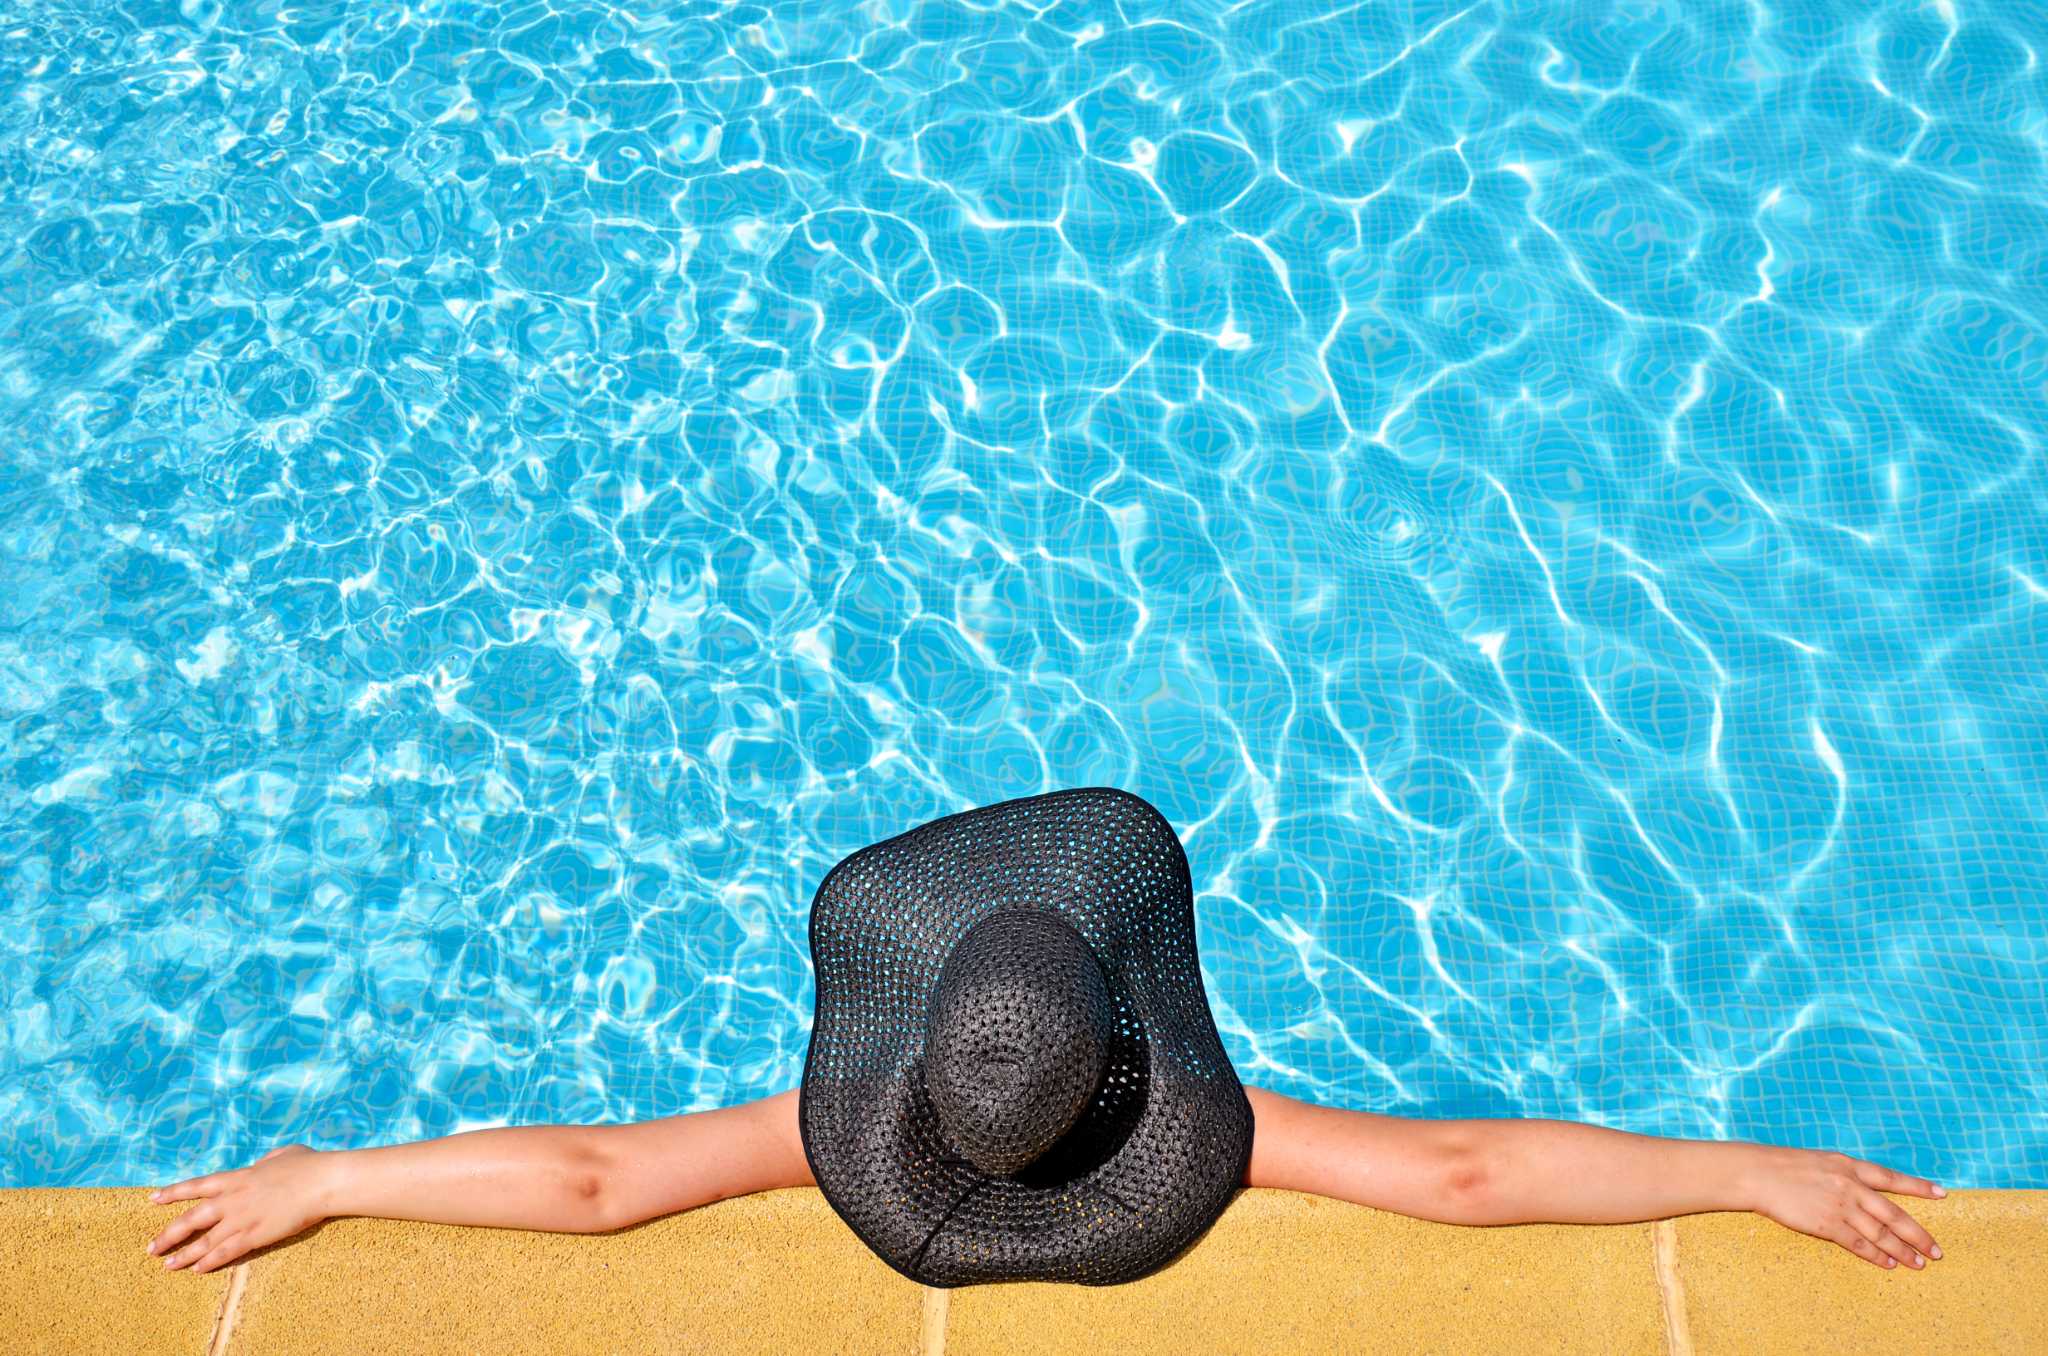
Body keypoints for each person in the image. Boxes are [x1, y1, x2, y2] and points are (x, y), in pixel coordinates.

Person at [145, 789, 1946, 1279]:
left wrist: (332, 1178)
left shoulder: (837, 1132)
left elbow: (600, 1182)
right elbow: (1466, 1174)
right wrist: (1745, 1172)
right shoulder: (1217, 1135)